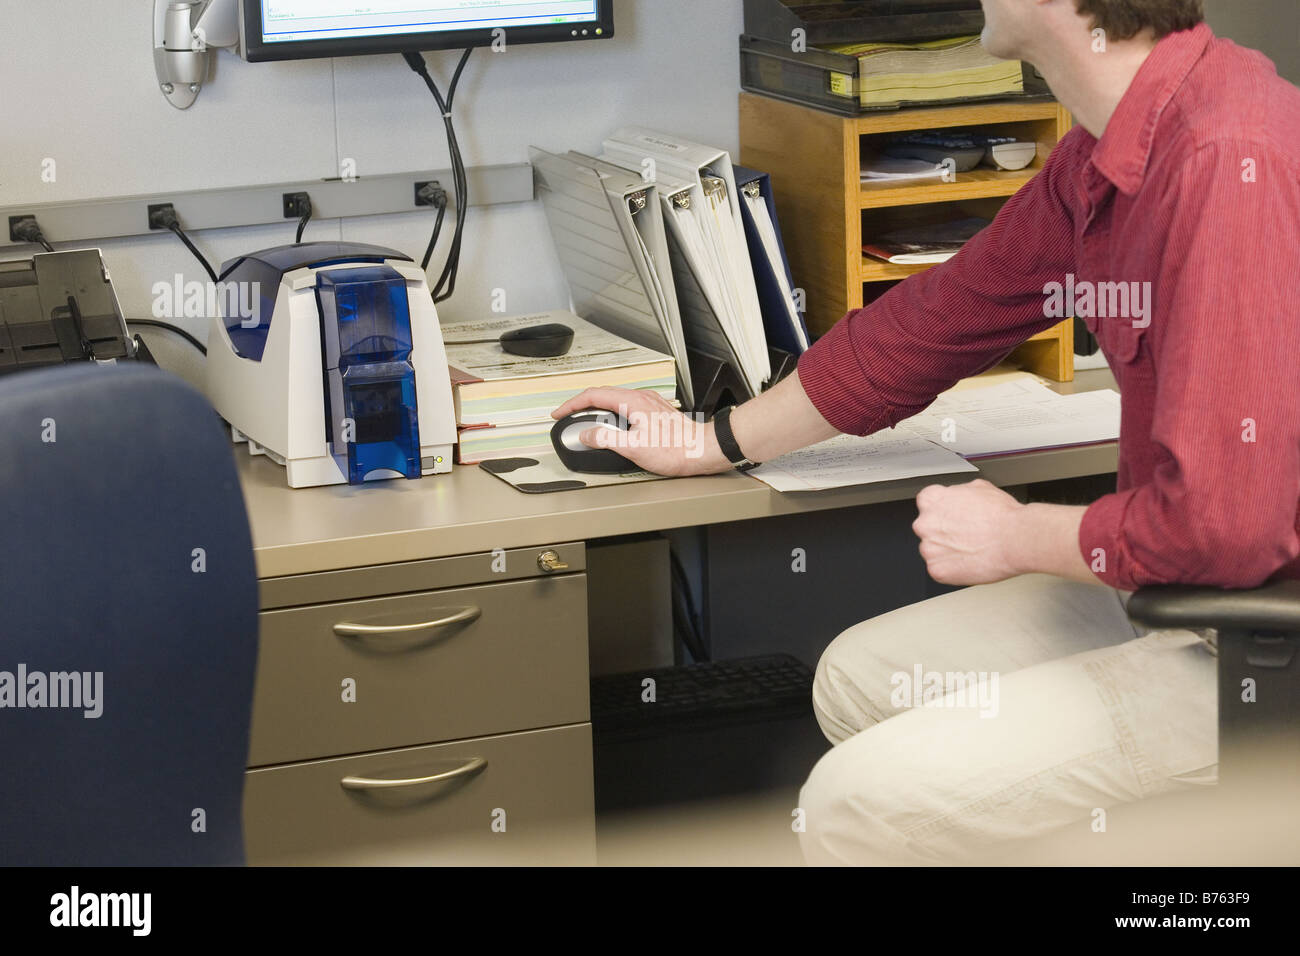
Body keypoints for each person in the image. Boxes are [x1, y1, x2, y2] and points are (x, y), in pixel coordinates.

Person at [552, 0, 1300, 864]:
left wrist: (1017, 534)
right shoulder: (1111, 147)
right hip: (1191, 598)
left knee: (851, 808)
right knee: (855, 678)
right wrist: (709, 440)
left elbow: (1226, 531)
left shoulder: (1226, 157)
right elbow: (935, 321)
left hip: (1258, 634)